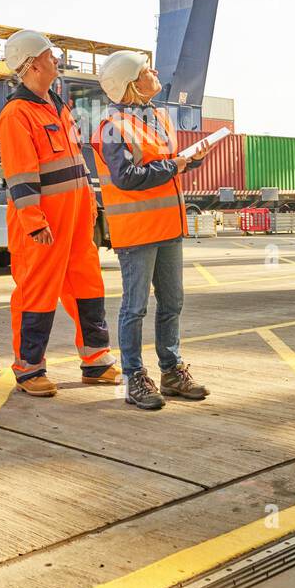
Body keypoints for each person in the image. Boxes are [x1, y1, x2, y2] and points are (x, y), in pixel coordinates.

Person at [0, 30, 120, 397]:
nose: (57, 60)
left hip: (77, 221)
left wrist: (90, 208)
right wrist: (34, 222)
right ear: (33, 64)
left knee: (87, 287)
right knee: (37, 292)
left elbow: (74, 166)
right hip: (43, 223)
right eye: (51, 55)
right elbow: (21, 175)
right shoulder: (16, 115)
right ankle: (29, 368)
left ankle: (96, 361)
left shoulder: (57, 106)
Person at [91, 51, 213, 410]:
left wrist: (191, 158)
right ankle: (134, 378)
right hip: (137, 232)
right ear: (132, 85)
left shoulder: (158, 117)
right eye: (146, 71)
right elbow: (128, 178)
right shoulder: (112, 128)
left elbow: (164, 164)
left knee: (172, 303)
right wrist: (174, 166)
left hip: (168, 227)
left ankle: (172, 372)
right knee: (135, 307)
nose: (155, 72)